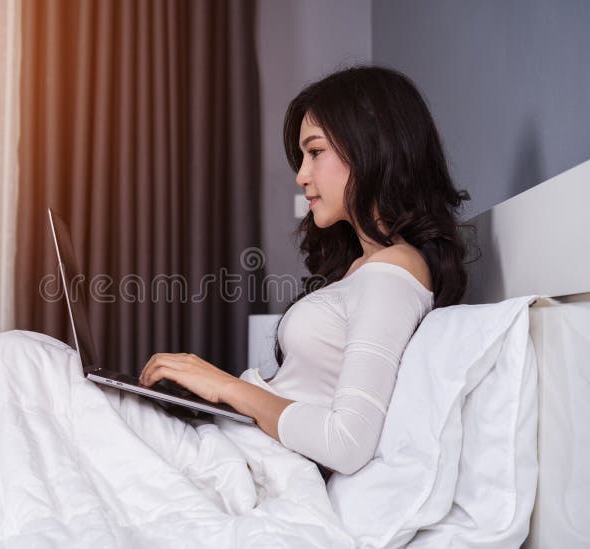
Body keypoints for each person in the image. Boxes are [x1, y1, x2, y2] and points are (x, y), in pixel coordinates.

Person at [139, 66, 470, 476]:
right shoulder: (363, 268)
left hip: (261, 465)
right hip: (240, 446)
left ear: (372, 148)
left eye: (315, 152)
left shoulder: (394, 273)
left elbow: (347, 443)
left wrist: (226, 387)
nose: (301, 175)